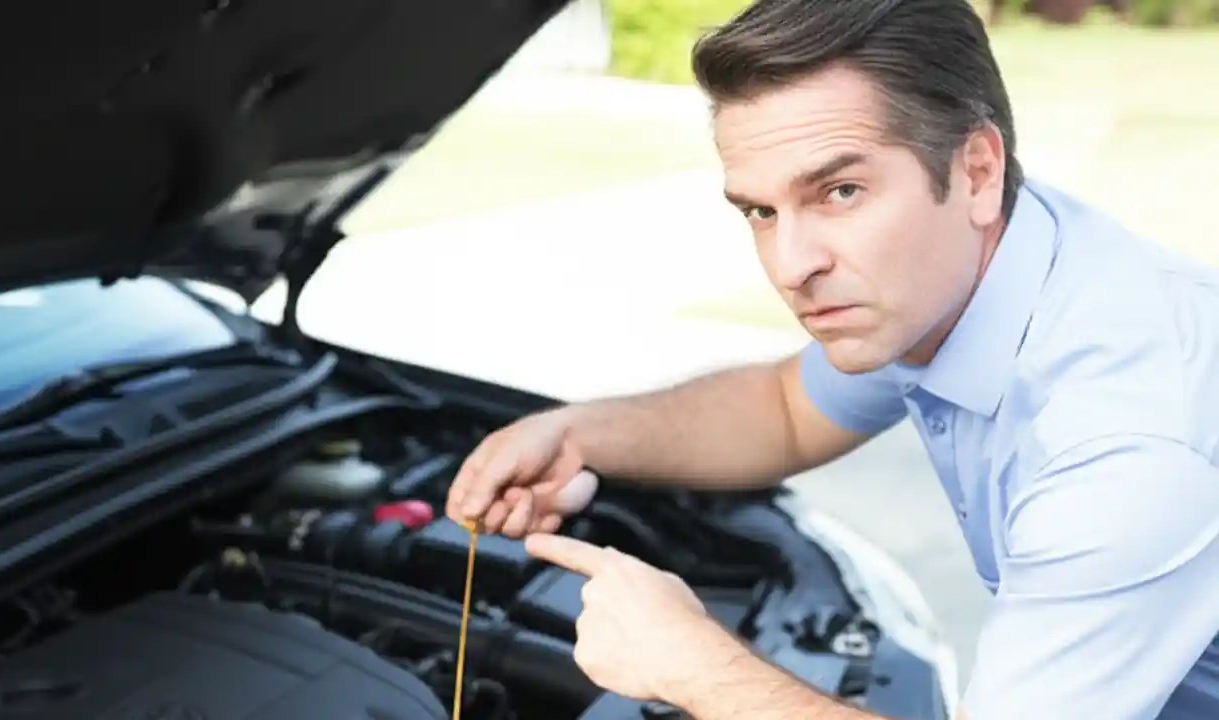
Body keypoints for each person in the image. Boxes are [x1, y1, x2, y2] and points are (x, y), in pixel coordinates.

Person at [445, 0, 1219, 717]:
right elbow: (786, 411)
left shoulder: (1126, 443)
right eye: (759, 210)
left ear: (977, 170)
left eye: (840, 192)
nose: (791, 264)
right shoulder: (964, 260)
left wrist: (690, 663)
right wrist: (579, 435)